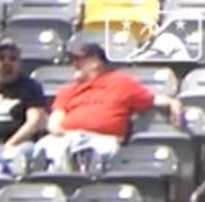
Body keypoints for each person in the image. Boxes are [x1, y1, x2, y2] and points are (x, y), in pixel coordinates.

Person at [35, 41, 182, 174]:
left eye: (79, 60)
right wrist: (56, 129)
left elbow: (151, 99)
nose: (74, 64)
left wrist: (172, 102)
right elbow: (56, 116)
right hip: (67, 137)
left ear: (95, 63)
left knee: (98, 152)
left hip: (102, 139)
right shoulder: (68, 90)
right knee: (46, 147)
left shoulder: (121, 82)